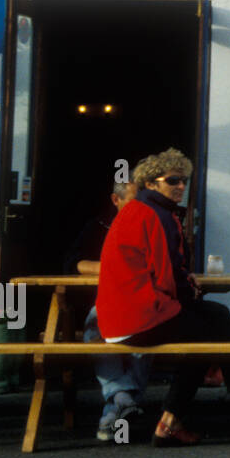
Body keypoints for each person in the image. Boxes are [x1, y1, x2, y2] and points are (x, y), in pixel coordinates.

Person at [96, 148, 230, 447]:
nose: (181, 186)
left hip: (119, 318)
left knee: (218, 316)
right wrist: (191, 292)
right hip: (140, 317)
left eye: (184, 180)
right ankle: (171, 422)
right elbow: (168, 273)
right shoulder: (157, 215)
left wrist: (188, 290)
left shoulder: (137, 209)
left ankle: (223, 377)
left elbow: (164, 270)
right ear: (152, 183)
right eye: (173, 180)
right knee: (209, 335)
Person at [68, 177, 153, 441]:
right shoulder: (98, 227)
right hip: (104, 302)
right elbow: (74, 263)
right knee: (96, 327)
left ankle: (116, 403)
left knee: (148, 328)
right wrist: (114, 267)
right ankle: (124, 398)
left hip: (141, 304)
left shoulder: (150, 227)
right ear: (116, 200)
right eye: (133, 199)